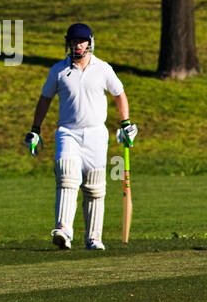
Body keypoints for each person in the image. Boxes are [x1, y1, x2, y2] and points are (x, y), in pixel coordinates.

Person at [25, 22, 136, 250]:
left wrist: (125, 123)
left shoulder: (103, 68)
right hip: (68, 132)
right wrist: (36, 129)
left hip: (96, 133)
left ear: (90, 42)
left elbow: (119, 94)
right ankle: (63, 230)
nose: (77, 46)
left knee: (95, 188)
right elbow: (44, 100)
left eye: (81, 41)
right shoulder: (58, 70)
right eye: (73, 42)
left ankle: (94, 238)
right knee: (67, 175)